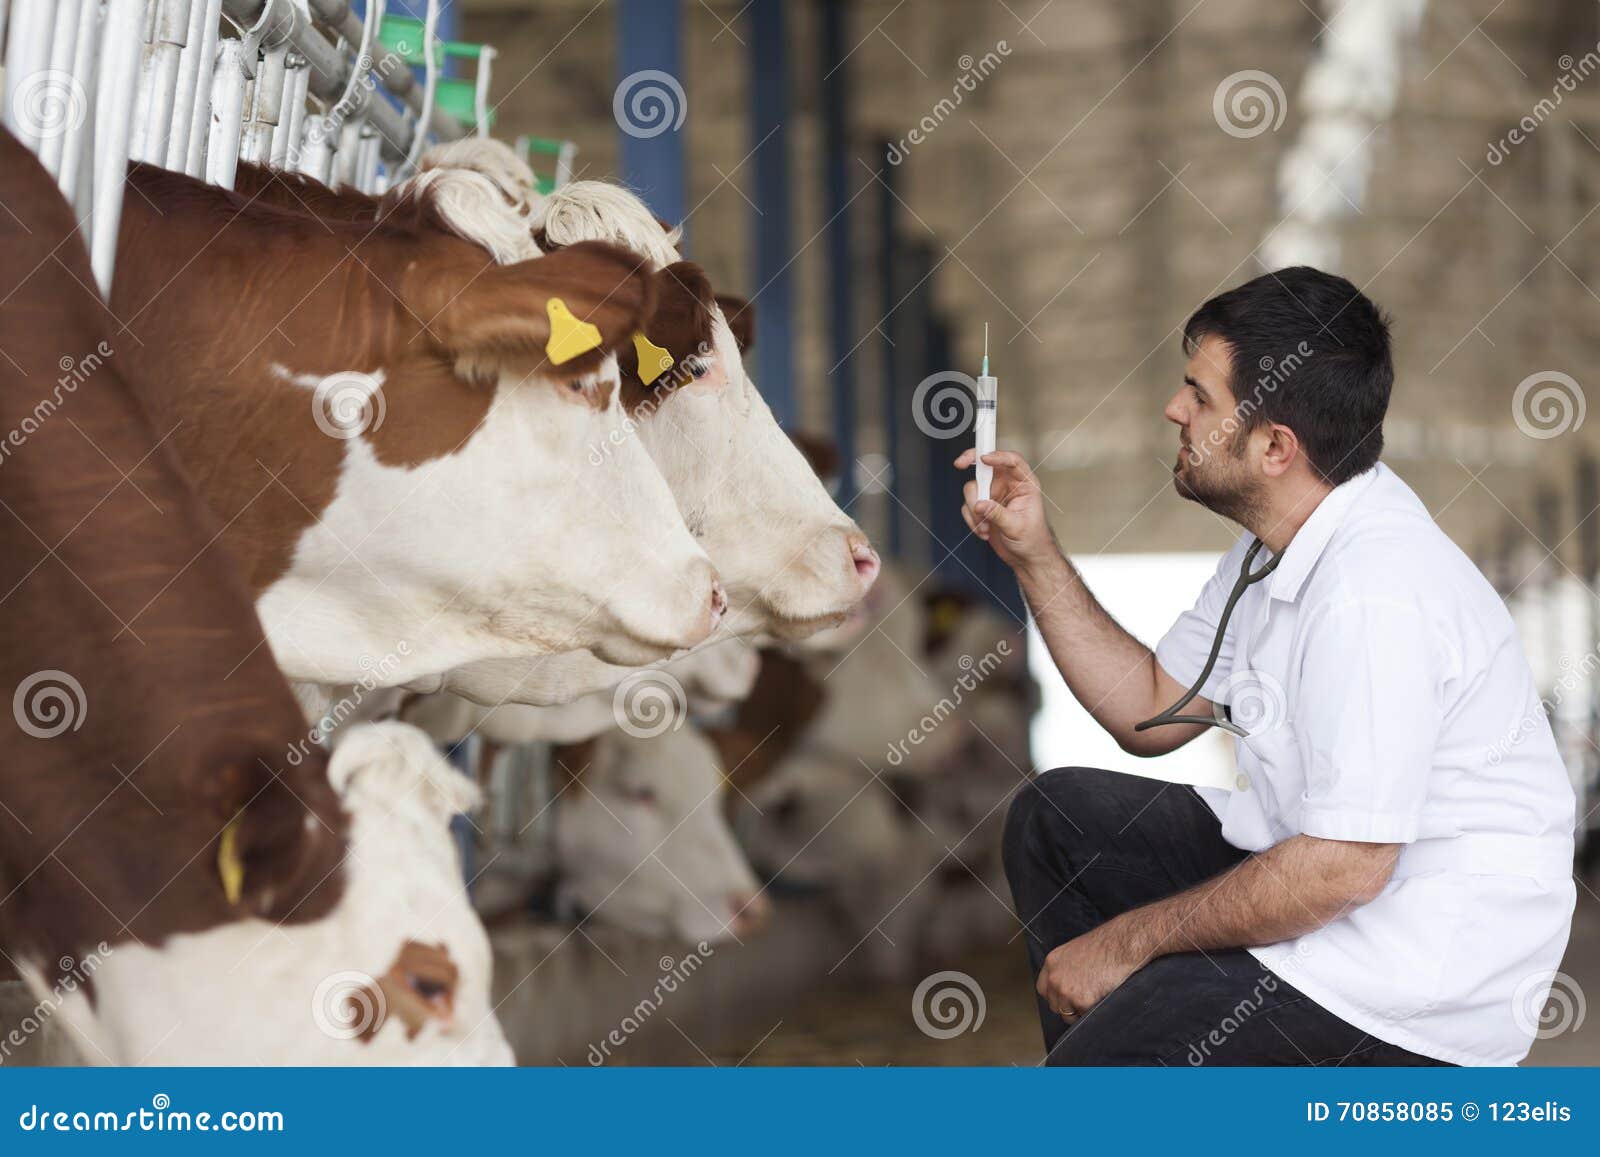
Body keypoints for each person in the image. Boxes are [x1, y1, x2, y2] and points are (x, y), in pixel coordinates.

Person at [959, 267, 1575, 1066]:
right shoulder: (1273, 550)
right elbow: (1148, 708)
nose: (1174, 410)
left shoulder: (1374, 589)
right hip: (1331, 885)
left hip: (1414, 978)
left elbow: (1344, 869)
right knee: (1057, 817)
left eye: (1199, 397)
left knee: (1107, 1059)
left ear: (1275, 446)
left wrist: (1128, 943)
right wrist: (1033, 554)